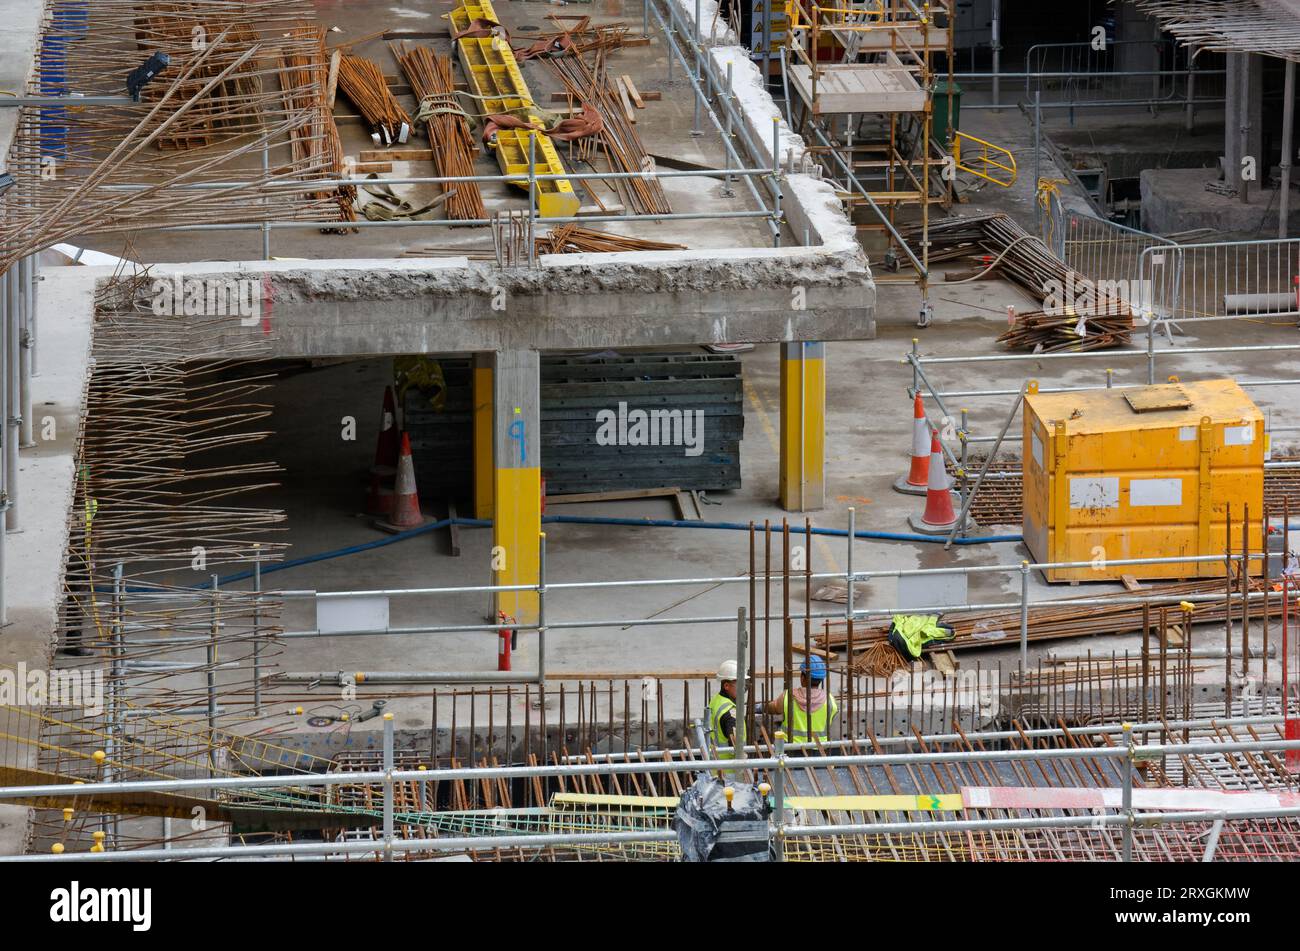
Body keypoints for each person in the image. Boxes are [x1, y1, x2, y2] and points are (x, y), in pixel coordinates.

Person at [765, 656, 838, 744]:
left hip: (790, 748)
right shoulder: (830, 701)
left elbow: (772, 708)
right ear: (821, 680)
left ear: (802, 678)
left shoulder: (789, 696)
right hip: (819, 749)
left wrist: (760, 707)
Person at [706, 659, 744, 760]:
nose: (743, 689)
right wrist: (744, 760)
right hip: (730, 770)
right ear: (726, 686)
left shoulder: (716, 700)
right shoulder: (730, 712)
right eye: (739, 684)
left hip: (715, 763)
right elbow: (735, 741)